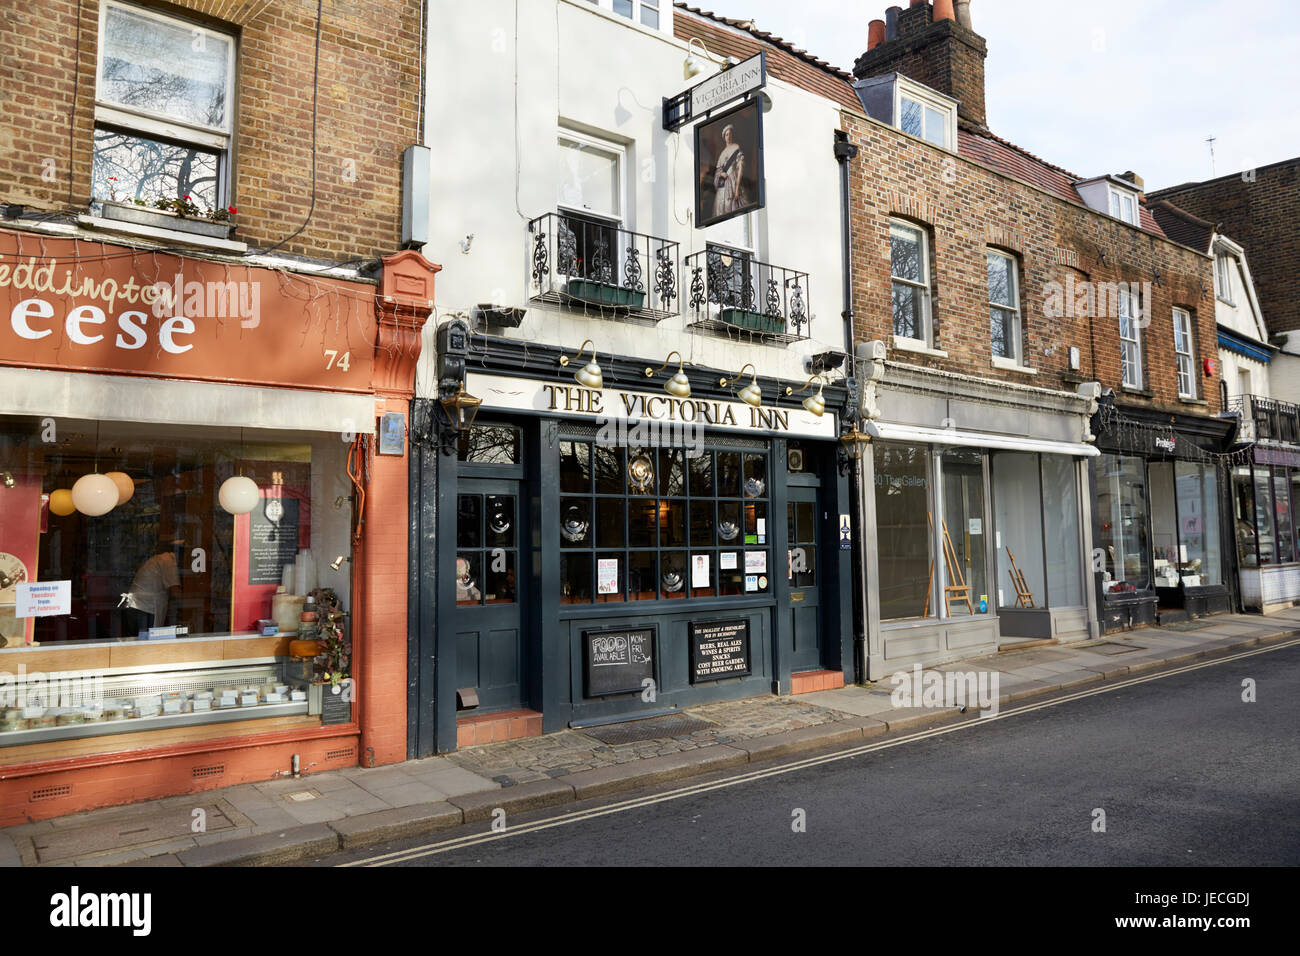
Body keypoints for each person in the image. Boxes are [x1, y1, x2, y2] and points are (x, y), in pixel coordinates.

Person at [121, 540, 182, 636]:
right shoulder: (168, 559)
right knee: (146, 643)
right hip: (144, 608)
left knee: (135, 643)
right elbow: (175, 591)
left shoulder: (156, 560)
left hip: (136, 605)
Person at [712, 124, 746, 218]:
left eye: (730, 134)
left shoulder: (736, 147)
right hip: (722, 188)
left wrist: (737, 188)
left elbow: (740, 168)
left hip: (733, 182)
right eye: (727, 134)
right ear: (724, 137)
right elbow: (717, 172)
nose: (729, 136)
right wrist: (721, 174)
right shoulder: (722, 154)